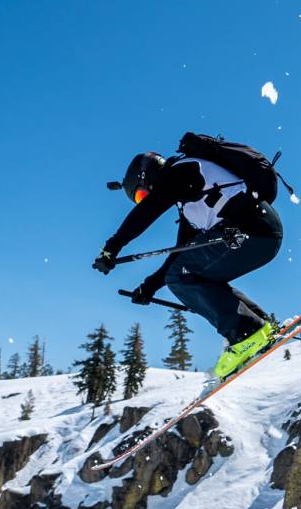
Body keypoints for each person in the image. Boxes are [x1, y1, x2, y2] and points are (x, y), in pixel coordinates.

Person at [94, 144, 284, 379]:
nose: (145, 200)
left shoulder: (184, 171)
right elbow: (180, 254)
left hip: (250, 232)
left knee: (181, 277)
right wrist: (151, 285)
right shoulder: (190, 204)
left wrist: (112, 246)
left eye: (142, 195)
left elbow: (149, 211)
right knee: (191, 275)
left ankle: (246, 335)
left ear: (149, 176)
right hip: (260, 236)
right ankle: (261, 327)